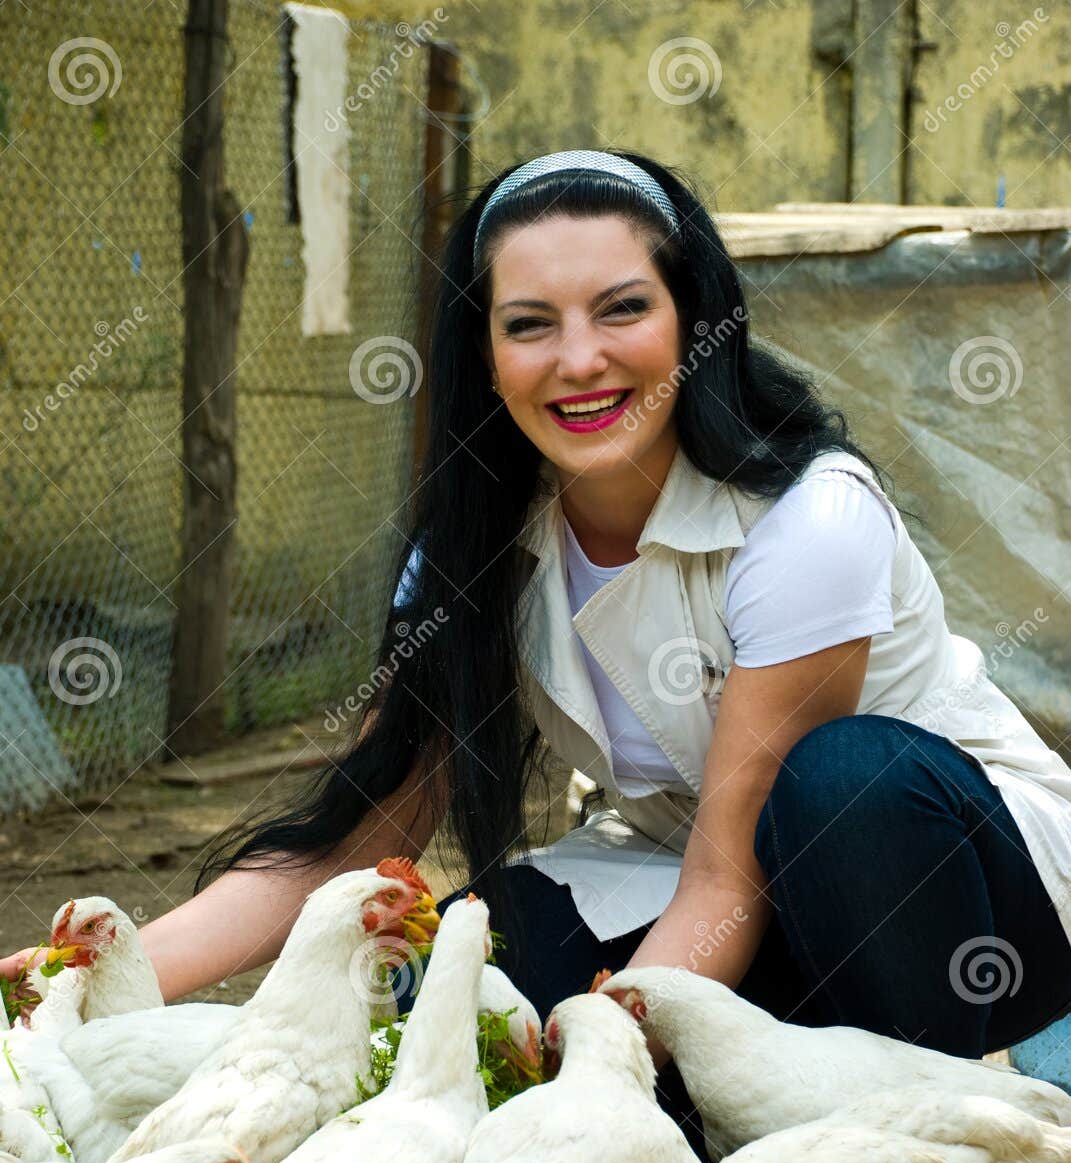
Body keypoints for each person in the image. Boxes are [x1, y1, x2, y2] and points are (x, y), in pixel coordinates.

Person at [8, 148, 1071, 1086]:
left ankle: (913, 1103)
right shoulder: (469, 552)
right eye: (529, 325)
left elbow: (731, 878)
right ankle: (752, 1084)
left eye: (623, 309)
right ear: (485, 355)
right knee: (468, 960)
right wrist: (96, 974)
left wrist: (595, 1078)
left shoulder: (810, 519)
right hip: (702, 883)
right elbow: (357, 839)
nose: (578, 360)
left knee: (844, 783)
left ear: (693, 322)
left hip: (955, 896)